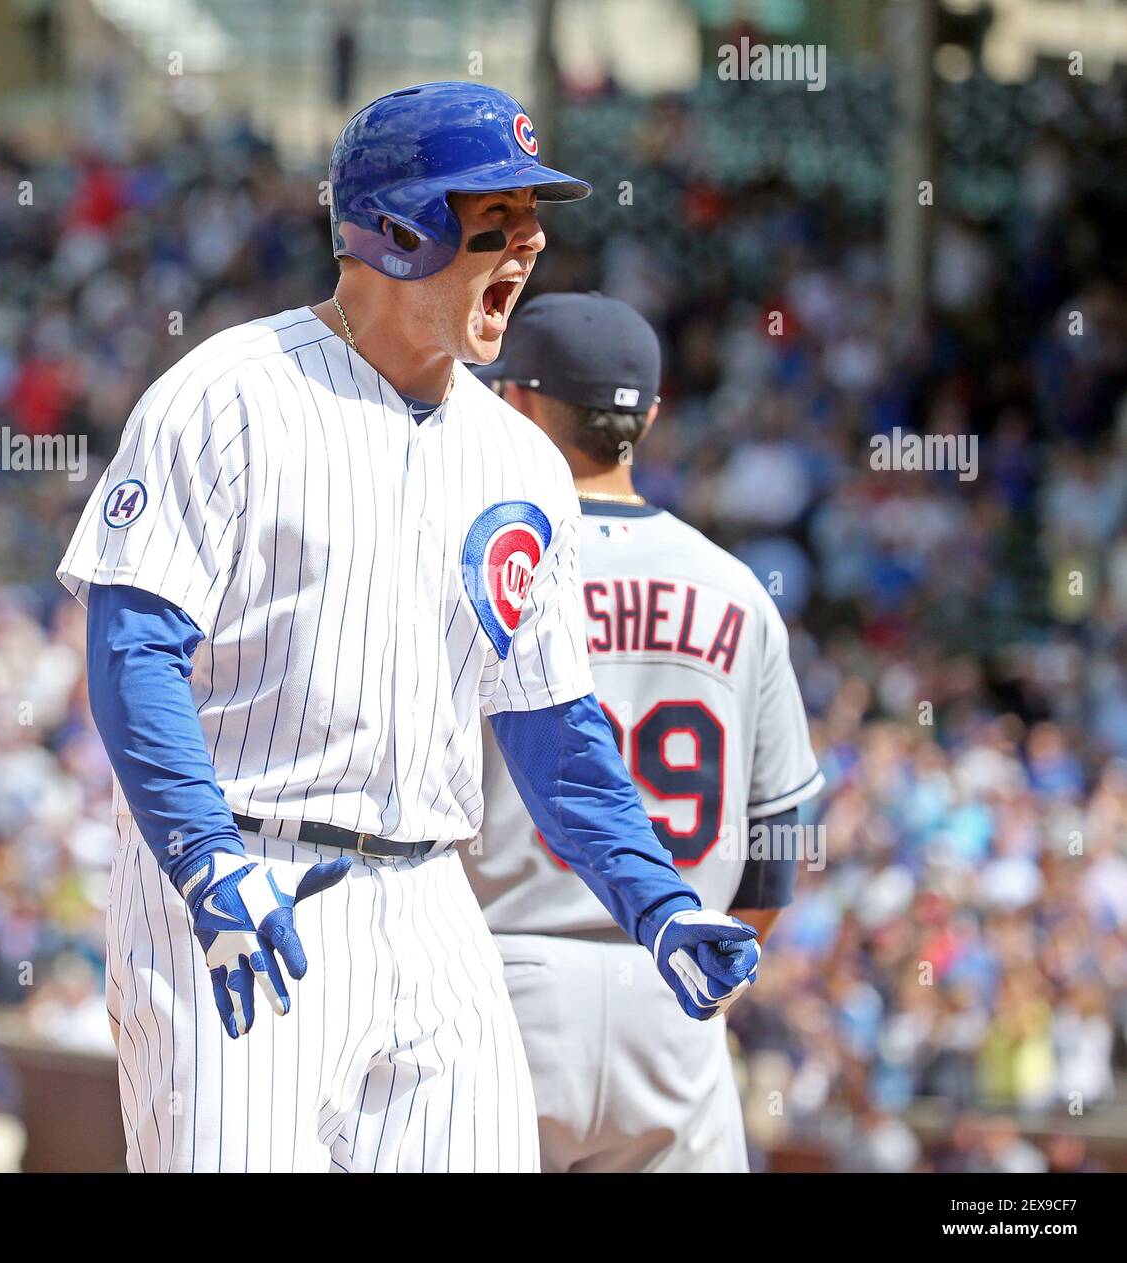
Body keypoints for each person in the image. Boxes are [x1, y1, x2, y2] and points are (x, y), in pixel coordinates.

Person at [57, 82, 758, 1174]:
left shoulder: (519, 458)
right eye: (497, 220)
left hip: (435, 907)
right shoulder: (229, 395)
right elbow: (132, 648)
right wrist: (201, 861)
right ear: (395, 232)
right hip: (246, 879)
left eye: (535, 220)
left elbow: (553, 727)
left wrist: (656, 899)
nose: (529, 246)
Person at [466, 292, 823, 1172]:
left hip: (498, 982)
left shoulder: (480, 567)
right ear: (650, 417)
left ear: (515, 402)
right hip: (676, 990)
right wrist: (697, 981)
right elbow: (780, 844)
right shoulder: (738, 588)